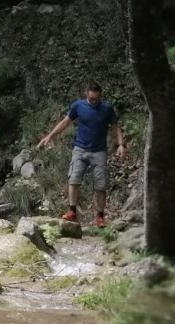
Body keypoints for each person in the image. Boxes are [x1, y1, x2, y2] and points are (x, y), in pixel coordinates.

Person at [36, 83, 127, 226]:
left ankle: (100, 216)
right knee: (73, 179)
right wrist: (50, 136)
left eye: (96, 99)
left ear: (100, 96)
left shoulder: (107, 108)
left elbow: (116, 127)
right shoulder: (78, 106)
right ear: (86, 94)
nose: (93, 101)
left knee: (100, 185)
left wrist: (121, 145)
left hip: (99, 151)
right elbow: (65, 122)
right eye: (91, 98)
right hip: (80, 149)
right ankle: (72, 211)